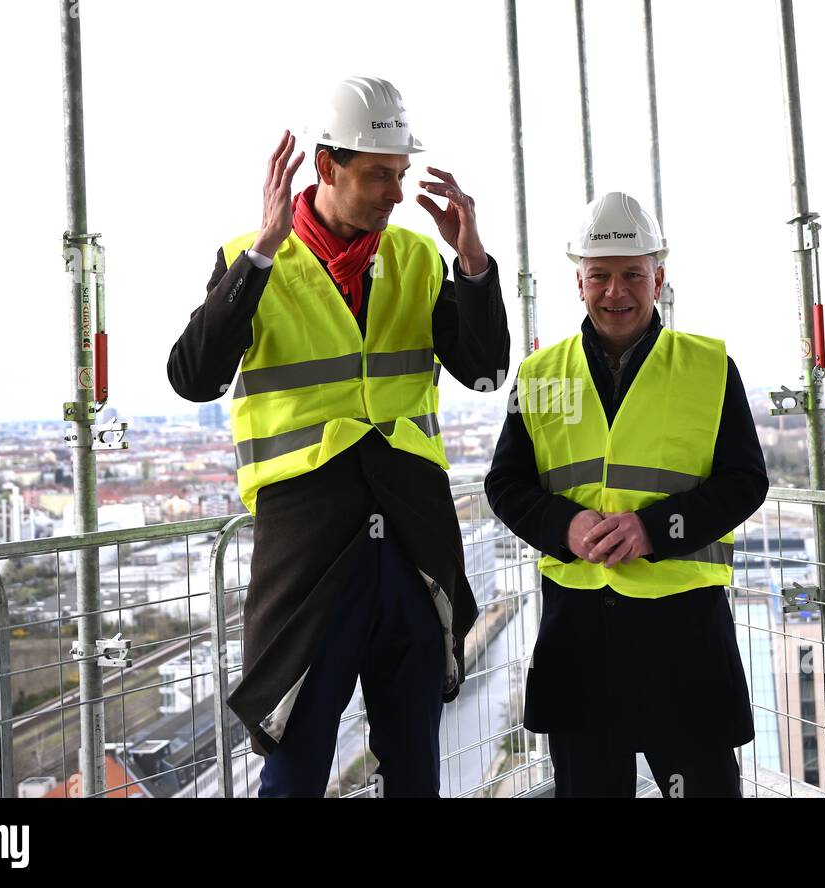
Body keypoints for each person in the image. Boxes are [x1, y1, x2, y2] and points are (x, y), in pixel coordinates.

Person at [167, 75, 510, 797]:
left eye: (401, 173)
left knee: (415, 757)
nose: (395, 191)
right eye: (378, 174)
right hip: (311, 547)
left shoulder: (417, 259)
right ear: (327, 168)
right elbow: (195, 378)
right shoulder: (251, 261)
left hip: (414, 537)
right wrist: (261, 251)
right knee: (296, 759)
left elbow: (484, 373)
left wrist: (473, 266)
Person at [484, 191, 769, 798]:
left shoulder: (711, 367)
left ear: (658, 277)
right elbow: (504, 484)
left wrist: (653, 530)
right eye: (601, 276)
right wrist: (565, 527)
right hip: (581, 640)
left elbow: (746, 482)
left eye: (632, 275)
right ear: (578, 283)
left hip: (683, 640)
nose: (616, 292)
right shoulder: (538, 376)